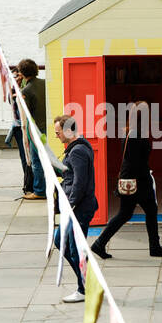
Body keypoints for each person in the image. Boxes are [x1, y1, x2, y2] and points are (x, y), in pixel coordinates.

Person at [90, 102, 162, 260]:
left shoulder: (129, 133)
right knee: (144, 211)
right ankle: (153, 247)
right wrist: (147, 178)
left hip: (129, 179)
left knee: (128, 213)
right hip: (139, 181)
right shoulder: (138, 135)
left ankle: (100, 243)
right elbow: (138, 161)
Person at [54, 114, 97, 303]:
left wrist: (70, 204)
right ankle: (87, 283)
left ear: (68, 131)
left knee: (75, 249)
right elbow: (69, 173)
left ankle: (85, 288)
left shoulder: (77, 151)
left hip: (78, 208)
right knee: (60, 241)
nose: (56, 136)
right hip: (75, 207)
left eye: (58, 133)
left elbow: (80, 182)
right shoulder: (77, 147)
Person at [18, 59, 48, 201]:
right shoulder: (45, 84)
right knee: (47, 158)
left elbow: (26, 113)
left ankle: (39, 190)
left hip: (36, 129)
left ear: (22, 73)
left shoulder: (26, 91)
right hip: (47, 126)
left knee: (36, 160)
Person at [7, 66, 33, 196]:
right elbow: (12, 100)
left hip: (28, 127)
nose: (16, 78)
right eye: (13, 76)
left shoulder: (26, 89)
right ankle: (28, 183)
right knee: (24, 157)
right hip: (18, 127)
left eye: (18, 76)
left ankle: (31, 184)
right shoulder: (13, 89)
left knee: (30, 156)